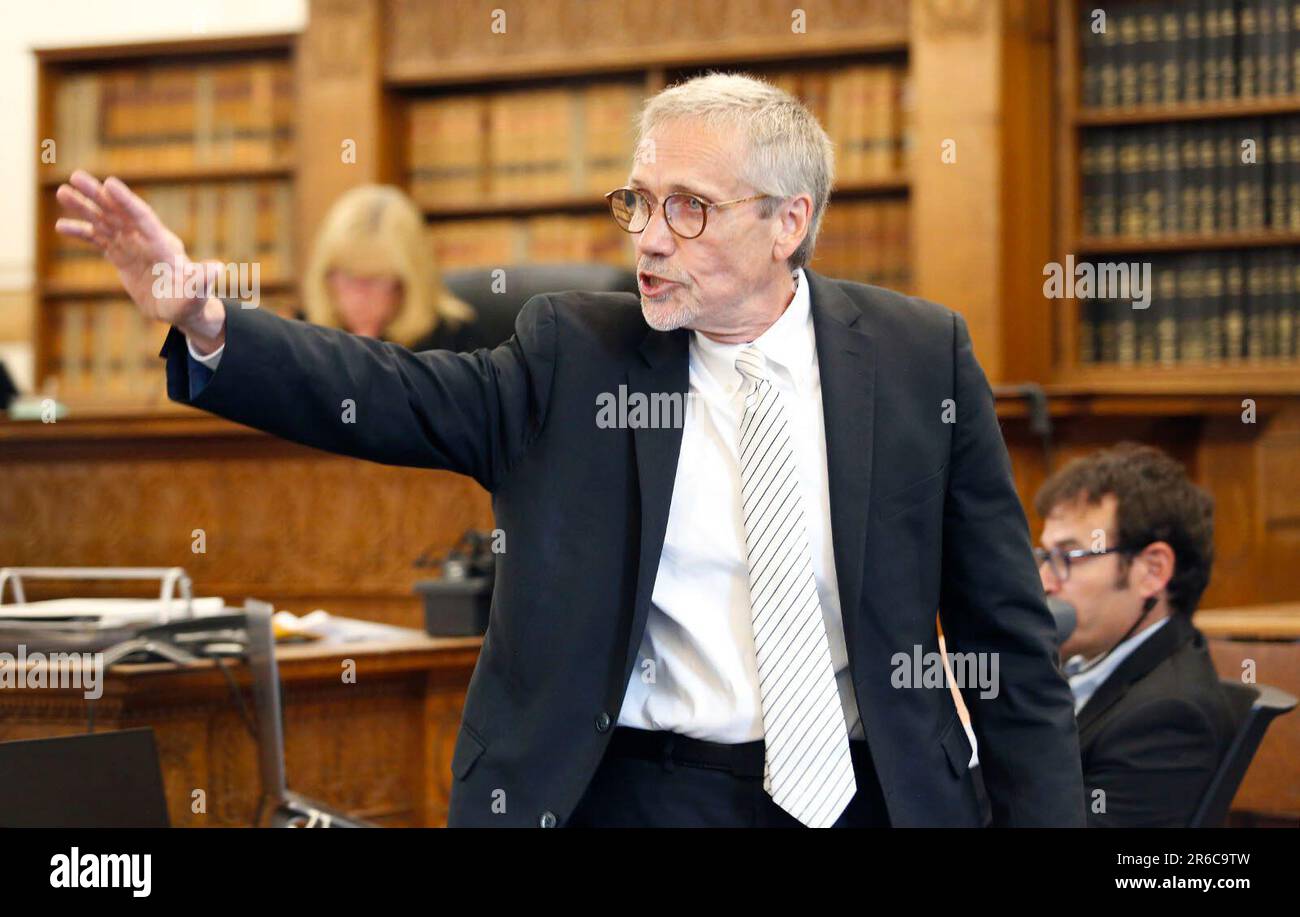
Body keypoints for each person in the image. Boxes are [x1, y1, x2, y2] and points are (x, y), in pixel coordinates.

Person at [55, 72, 1084, 828]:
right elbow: (383, 390)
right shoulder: (576, 354)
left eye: (687, 208)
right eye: (636, 200)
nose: (646, 236)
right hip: (635, 790)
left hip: (874, 793)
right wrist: (205, 317)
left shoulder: (917, 357)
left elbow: (1007, 637)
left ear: (788, 223)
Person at [1034, 443, 1236, 827]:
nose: (1044, 581)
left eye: (1069, 557)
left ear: (1152, 570)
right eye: (1044, 557)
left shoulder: (1170, 716)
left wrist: (969, 736)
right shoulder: (1082, 663)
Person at [302, 184, 484, 352]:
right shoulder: (303, 335)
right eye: (347, 277)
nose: (358, 296)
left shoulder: (453, 339)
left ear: (409, 280)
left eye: (374, 280)